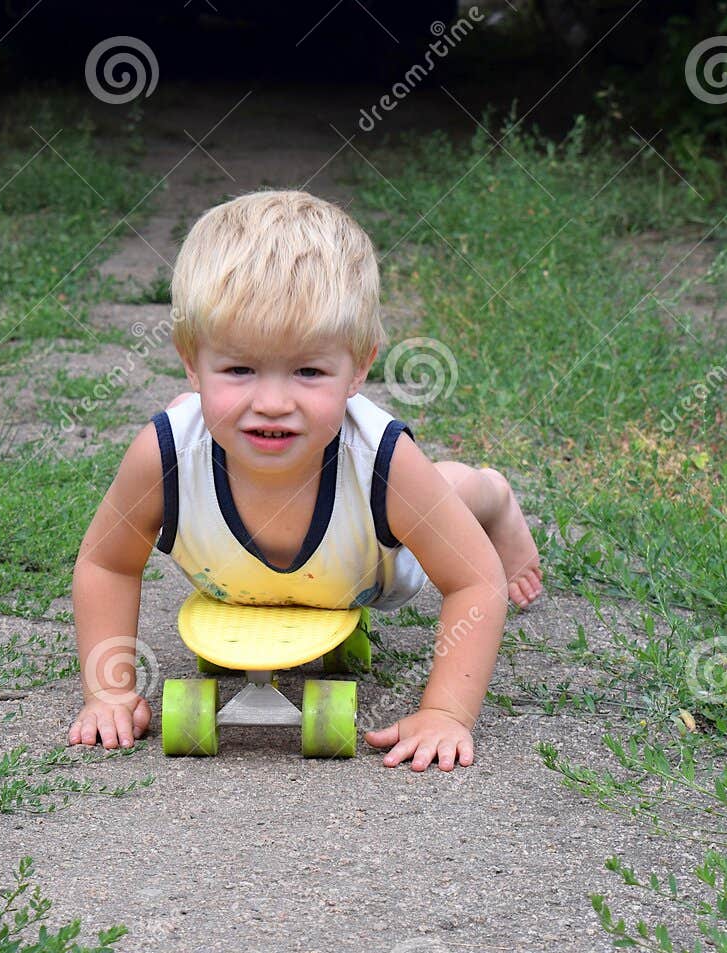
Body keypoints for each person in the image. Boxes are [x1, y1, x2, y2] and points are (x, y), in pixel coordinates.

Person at [67, 190, 542, 772]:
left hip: (370, 563)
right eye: (239, 369)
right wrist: (110, 691)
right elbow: (107, 564)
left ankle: (494, 498)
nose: (272, 403)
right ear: (191, 360)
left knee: (444, 493)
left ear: (359, 366)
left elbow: (474, 583)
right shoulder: (162, 455)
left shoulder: (385, 465)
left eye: (309, 371)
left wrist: (446, 712)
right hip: (251, 575)